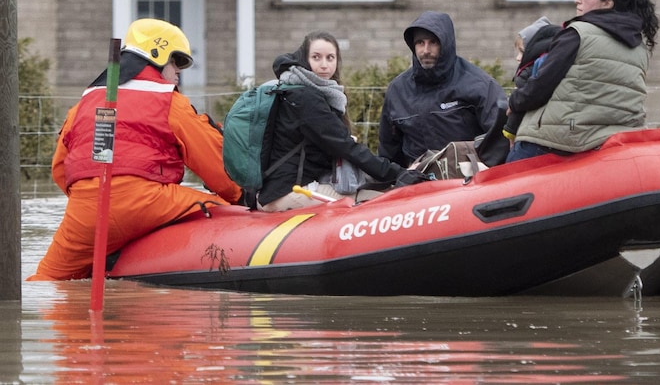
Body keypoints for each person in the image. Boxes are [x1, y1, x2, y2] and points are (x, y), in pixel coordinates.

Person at [29, 18, 243, 281]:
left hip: (86, 210)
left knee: (48, 279)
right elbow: (215, 164)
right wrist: (240, 195)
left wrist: (93, 201)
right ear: (158, 56)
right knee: (226, 212)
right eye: (176, 62)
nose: (178, 72)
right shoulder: (169, 102)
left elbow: (61, 170)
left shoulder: (84, 103)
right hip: (149, 201)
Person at [258, 31, 429, 211]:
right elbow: (346, 147)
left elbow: (332, 144)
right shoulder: (306, 98)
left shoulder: (306, 92)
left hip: (288, 187)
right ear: (304, 59)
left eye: (330, 58)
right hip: (289, 192)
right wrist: (400, 173)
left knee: (381, 191)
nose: (324, 65)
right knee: (384, 202)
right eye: (316, 57)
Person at [506, 0, 659, 161]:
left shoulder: (577, 34)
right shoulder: (639, 46)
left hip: (559, 140)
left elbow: (541, 86)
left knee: (505, 179)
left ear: (607, 3)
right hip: (612, 143)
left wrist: (514, 102)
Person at [379, 11, 507, 167]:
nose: (426, 50)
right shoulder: (397, 90)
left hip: (468, 182)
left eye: (433, 42)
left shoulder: (479, 85)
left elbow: (500, 140)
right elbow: (388, 152)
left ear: (446, 44)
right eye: (420, 42)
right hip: (417, 182)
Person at [501, 16, 561, 146]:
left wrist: (510, 133)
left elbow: (518, 109)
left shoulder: (527, 73)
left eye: (522, 52)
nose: (518, 58)